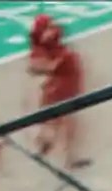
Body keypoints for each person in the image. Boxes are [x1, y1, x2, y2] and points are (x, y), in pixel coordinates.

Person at [30, 23, 90, 169]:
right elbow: (50, 68)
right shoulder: (65, 55)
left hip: (59, 93)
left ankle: (45, 146)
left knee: (56, 125)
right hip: (65, 95)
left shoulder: (54, 54)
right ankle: (69, 157)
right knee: (68, 127)